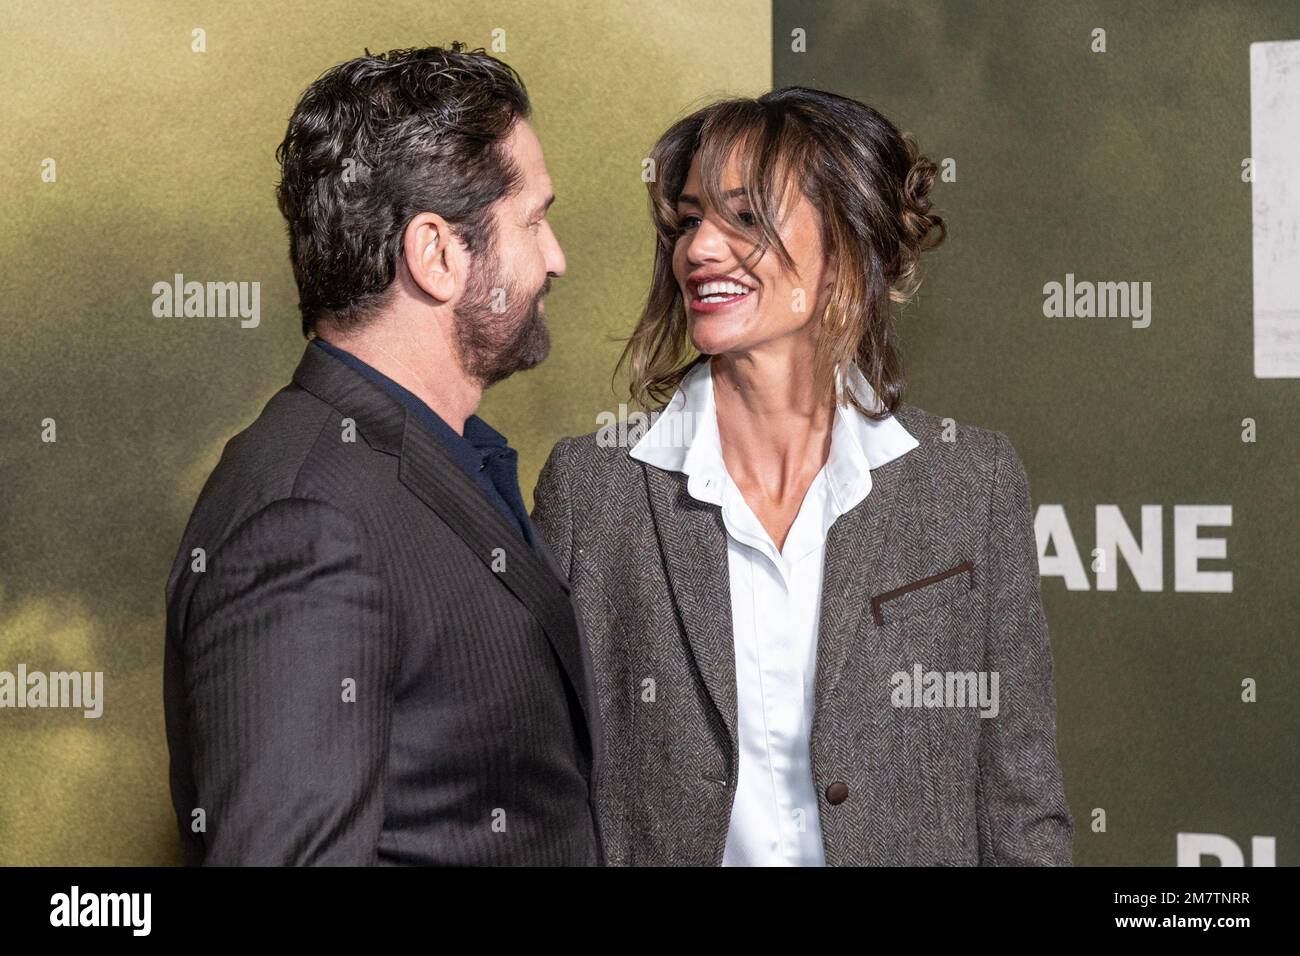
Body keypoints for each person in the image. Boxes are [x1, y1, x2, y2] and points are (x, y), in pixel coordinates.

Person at [533, 87, 1072, 866]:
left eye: (746, 218)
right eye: (689, 221)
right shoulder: (594, 491)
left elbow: (1021, 802)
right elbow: (547, 792)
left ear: (849, 247)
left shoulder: (971, 485)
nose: (700, 250)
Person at [164, 44, 602, 865]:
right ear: (436, 254)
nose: (555, 258)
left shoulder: (434, 464)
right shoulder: (307, 522)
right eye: (535, 220)